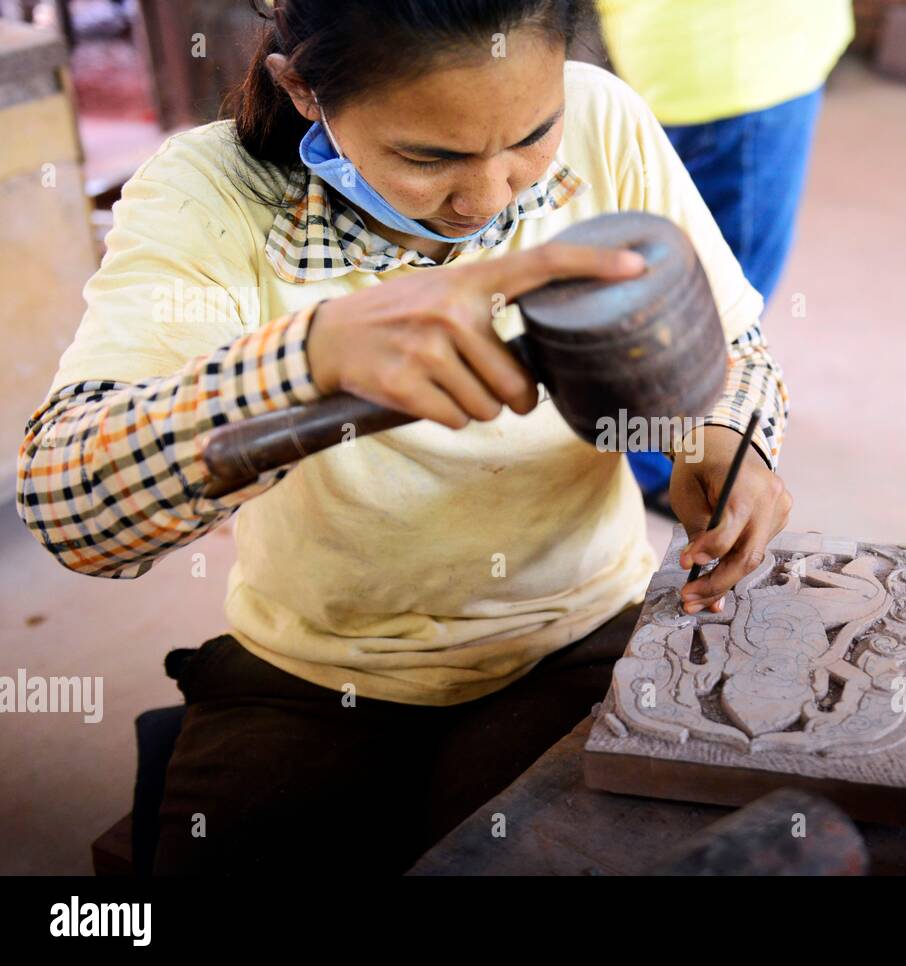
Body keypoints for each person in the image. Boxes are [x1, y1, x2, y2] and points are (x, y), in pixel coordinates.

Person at [16, 0, 790, 874]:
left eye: (532, 137)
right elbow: (70, 510)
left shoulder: (601, 116)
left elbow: (736, 352)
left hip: (576, 631)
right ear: (304, 89)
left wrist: (729, 440)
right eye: (430, 156)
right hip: (315, 668)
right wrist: (307, 361)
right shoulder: (207, 192)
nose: (491, 197)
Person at [598, 0, 851, 500]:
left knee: (670, 278)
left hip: (686, 56)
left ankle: (666, 450)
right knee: (720, 300)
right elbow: (734, 332)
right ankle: (664, 465)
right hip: (740, 65)